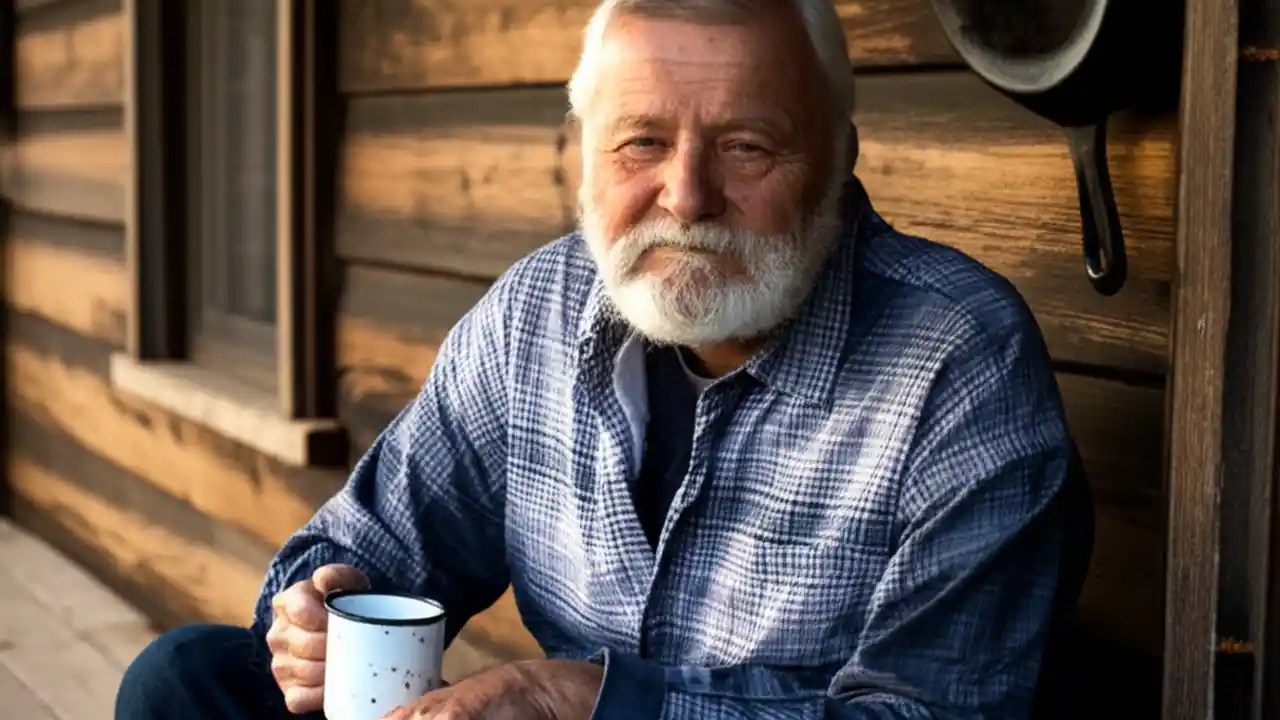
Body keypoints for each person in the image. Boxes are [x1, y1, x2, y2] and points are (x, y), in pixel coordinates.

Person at [115, 0, 1093, 718]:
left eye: (746, 147)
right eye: (639, 144)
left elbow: (931, 716)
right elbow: (371, 545)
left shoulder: (958, 362)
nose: (687, 196)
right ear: (581, 157)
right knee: (189, 681)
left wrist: (585, 702)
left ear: (837, 157)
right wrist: (316, 606)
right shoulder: (533, 313)